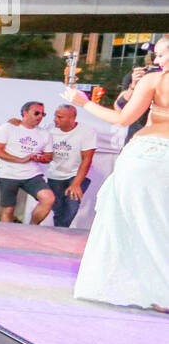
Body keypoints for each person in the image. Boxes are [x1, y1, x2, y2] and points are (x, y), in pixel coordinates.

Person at [64, 36, 169, 311]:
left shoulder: (155, 80)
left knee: (137, 222)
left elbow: (122, 118)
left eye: (160, 55)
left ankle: (152, 289)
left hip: (147, 156)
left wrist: (82, 102)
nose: (156, 61)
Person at [0, 101, 56, 224]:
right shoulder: (8, 127)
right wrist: (21, 159)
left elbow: (49, 156)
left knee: (48, 198)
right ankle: (6, 237)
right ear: (25, 113)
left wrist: (41, 158)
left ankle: (31, 227)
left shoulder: (45, 134)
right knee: (8, 210)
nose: (40, 117)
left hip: (32, 174)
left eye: (43, 114)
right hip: (8, 173)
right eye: (36, 113)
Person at [45, 104, 98, 229]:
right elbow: (32, 130)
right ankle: (60, 231)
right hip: (55, 174)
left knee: (72, 205)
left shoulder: (86, 132)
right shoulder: (48, 129)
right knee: (57, 207)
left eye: (60, 117)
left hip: (77, 174)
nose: (55, 119)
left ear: (72, 118)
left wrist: (76, 183)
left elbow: (87, 158)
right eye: (55, 116)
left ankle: (61, 231)